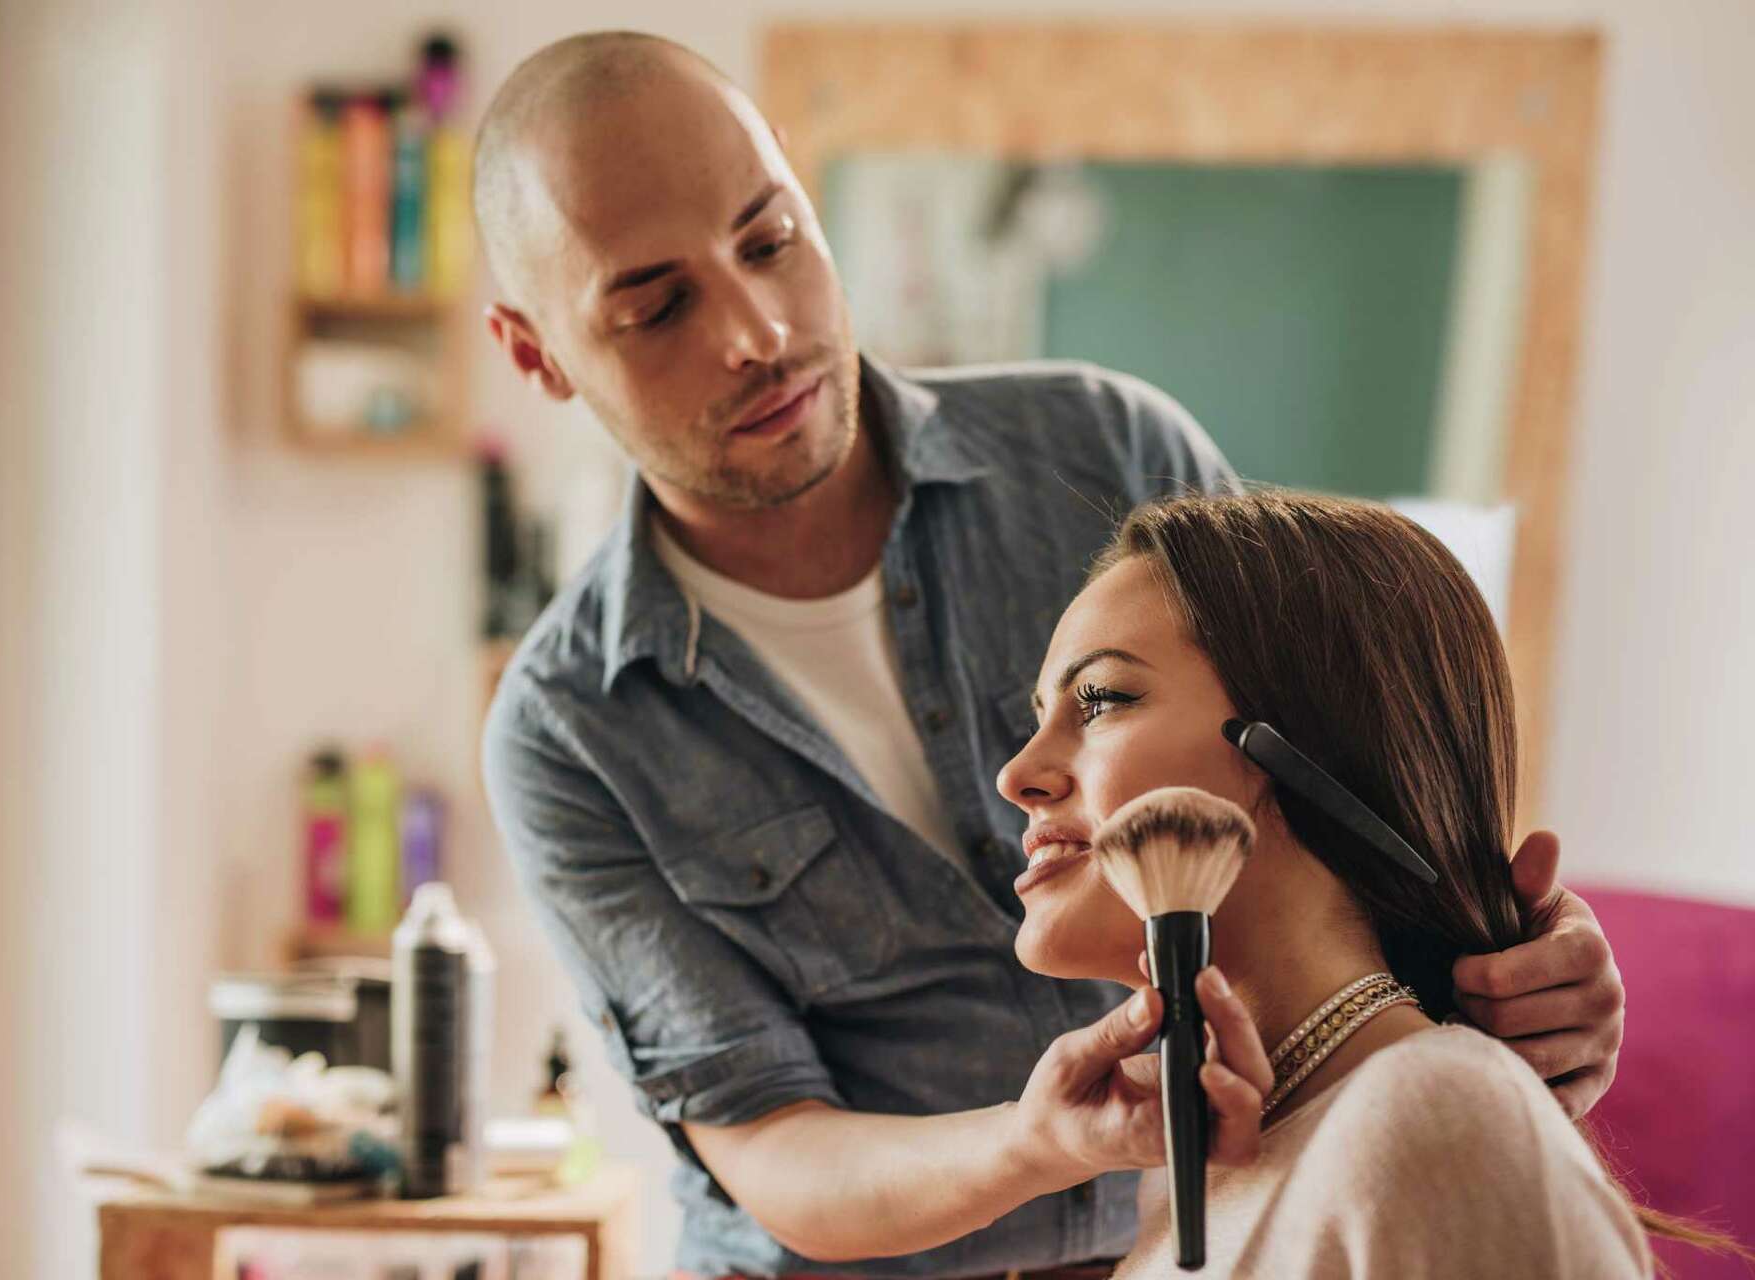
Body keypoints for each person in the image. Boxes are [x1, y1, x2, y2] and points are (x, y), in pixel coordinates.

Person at [475, 30, 1628, 1273]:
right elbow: (773, 1148)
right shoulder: (567, 726)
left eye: (770, 241)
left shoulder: (1104, 448)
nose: (755, 330)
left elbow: (1315, 773)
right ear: (536, 351)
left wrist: (1511, 983)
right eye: (657, 306)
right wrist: (1043, 1142)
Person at [997, 491, 1656, 1277]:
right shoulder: (1183, 1175)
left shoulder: (1437, 1118)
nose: (1016, 776)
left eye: (1100, 700)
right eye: (1038, 716)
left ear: (1305, 743)